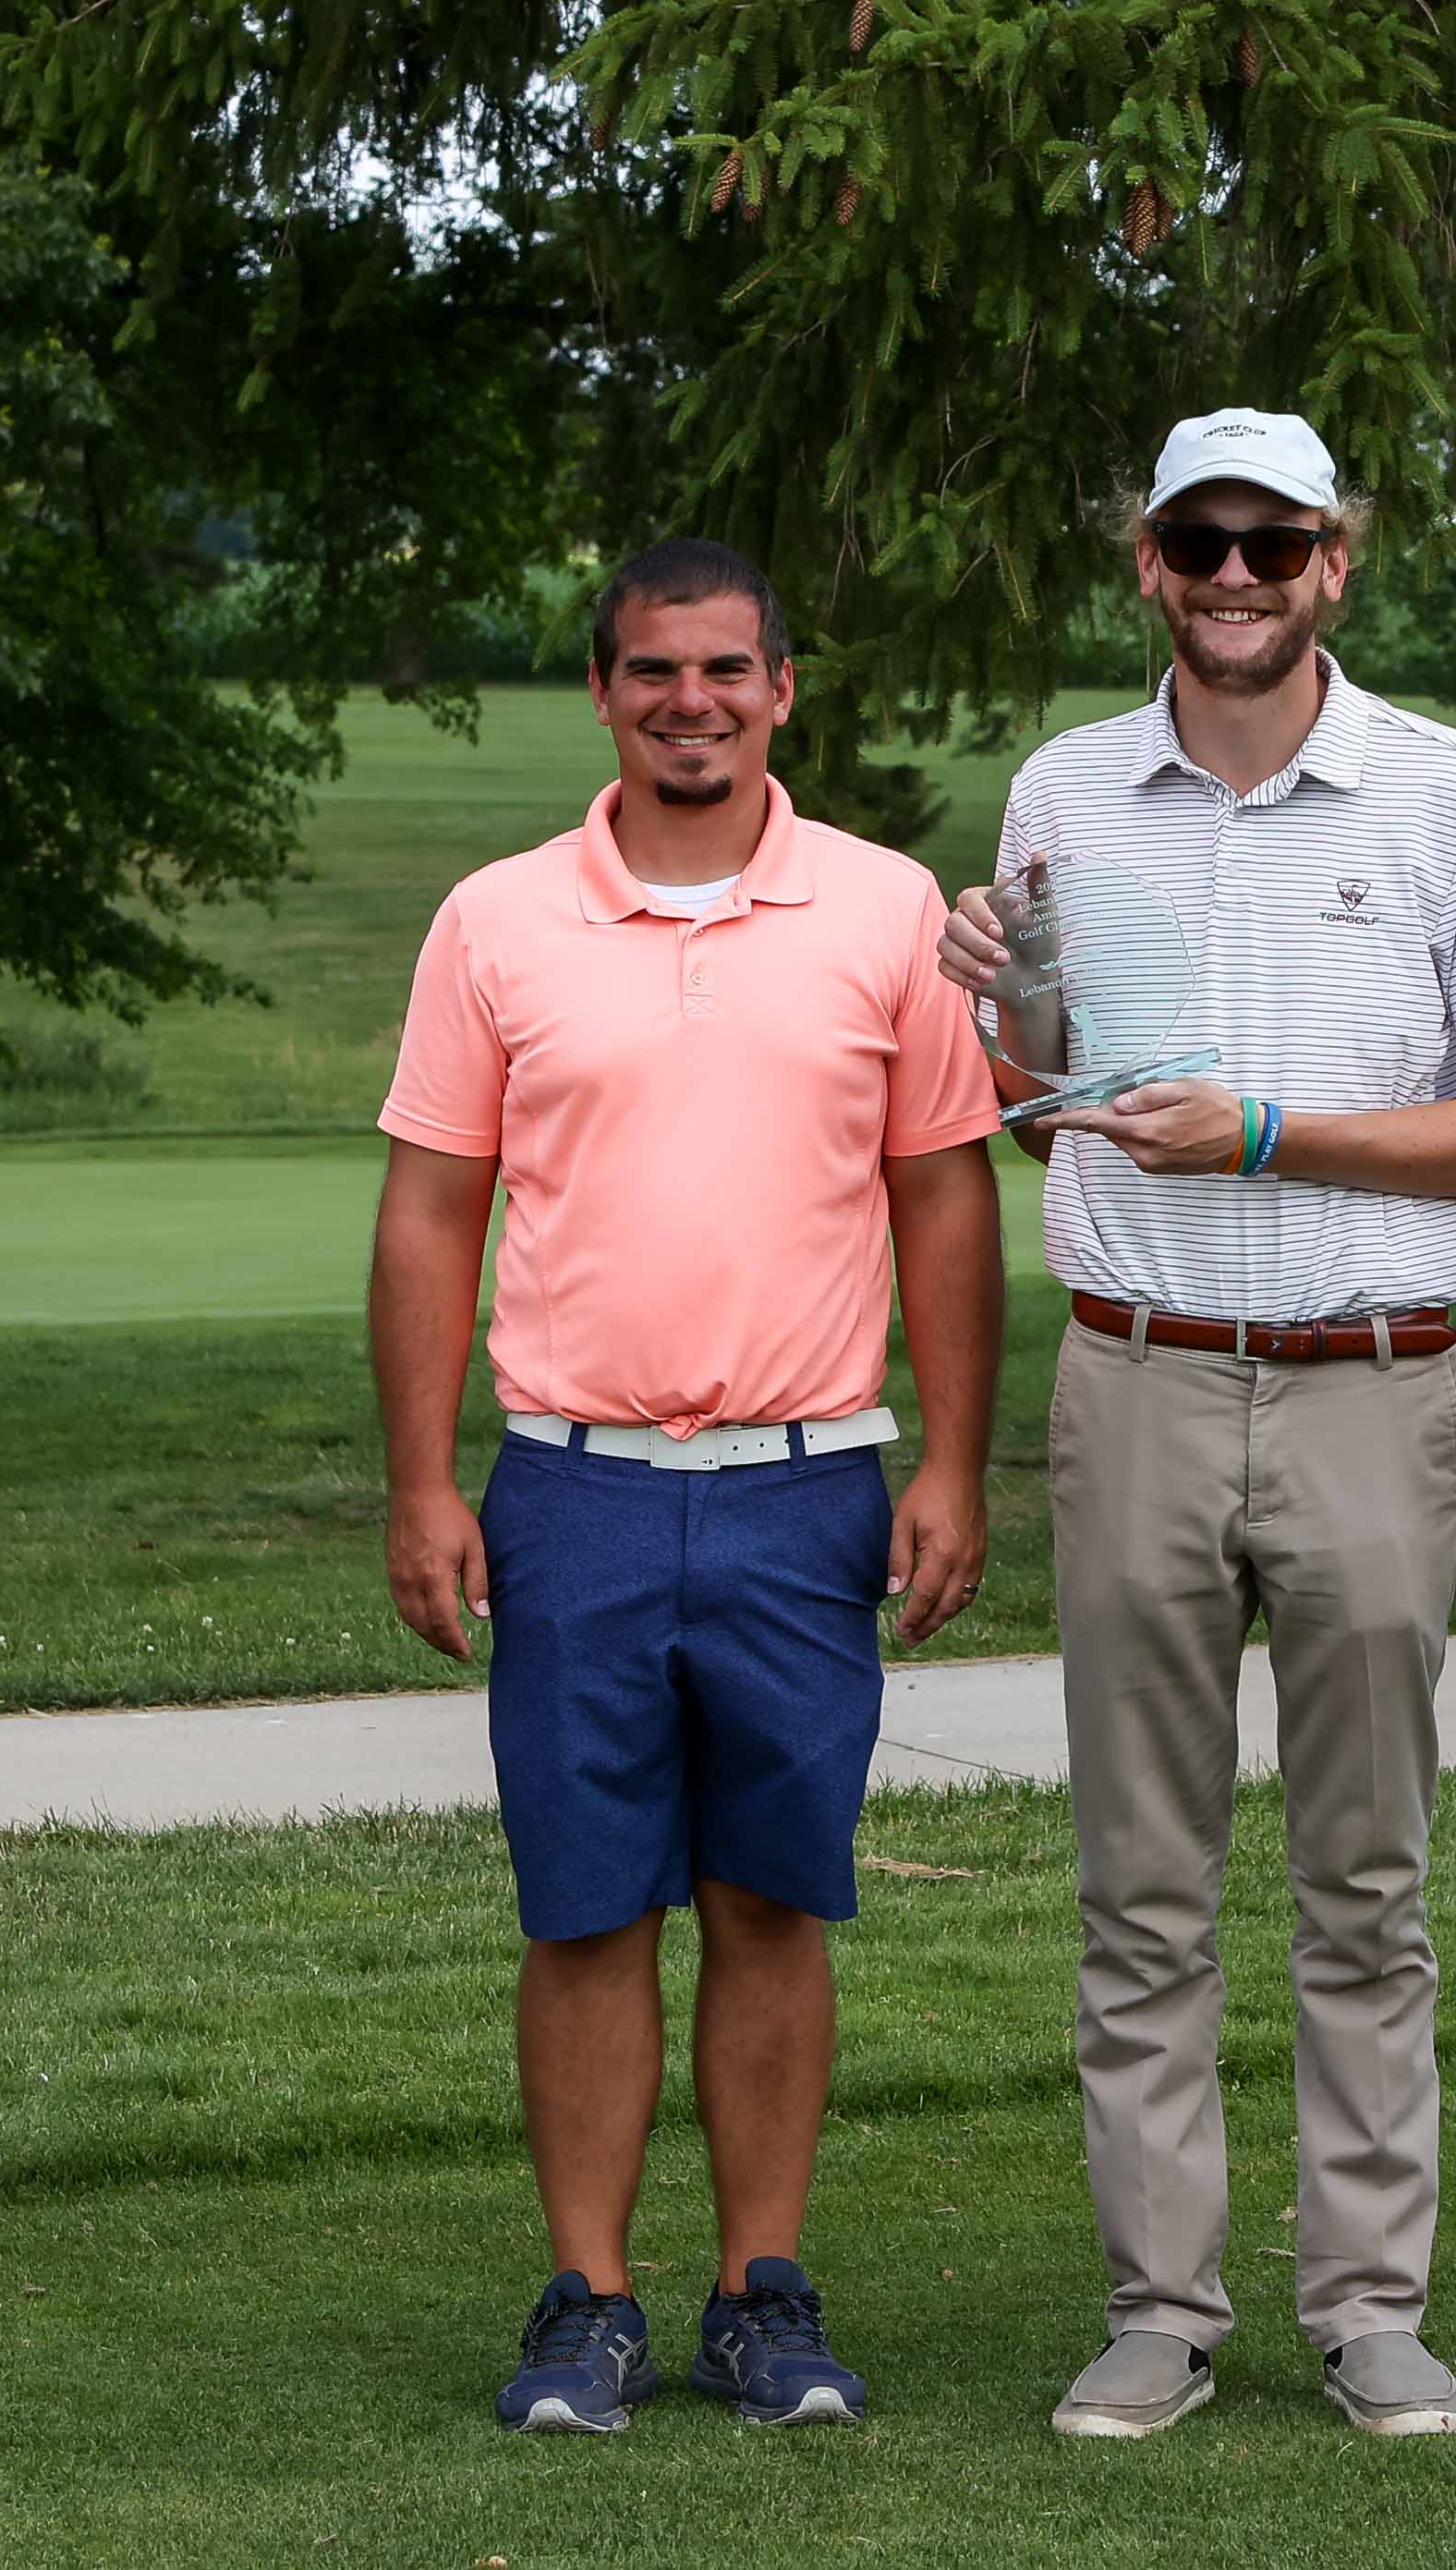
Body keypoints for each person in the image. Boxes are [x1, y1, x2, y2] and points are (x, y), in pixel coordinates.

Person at [938, 408, 1456, 2440]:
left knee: (1363, 1880)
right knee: (1138, 1880)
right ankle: (1160, 2306)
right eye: (1196, 541)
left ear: (1339, 555)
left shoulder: (1451, 794)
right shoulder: (1067, 782)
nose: (1234, 575)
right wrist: (1014, 995)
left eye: (1273, 541)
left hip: (1368, 1383)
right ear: (1145, 557)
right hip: (1131, 1370)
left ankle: (1369, 2304)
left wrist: (1268, 1132)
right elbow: (1040, 1095)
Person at [369, 539, 1005, 2433]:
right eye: (654, 671)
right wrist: (423, 1481)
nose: (690, 701)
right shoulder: (498, 918)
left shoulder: (885, 912)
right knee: (580, 1907)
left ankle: (761, 2285)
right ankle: (589, 2295)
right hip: (571, 1480)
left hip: (805, 1481)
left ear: (781, 686)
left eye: (725, 668)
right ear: (603, 691)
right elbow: (428, 1206)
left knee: (767, 1895)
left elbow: (944, 1192)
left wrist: (955, 1457)